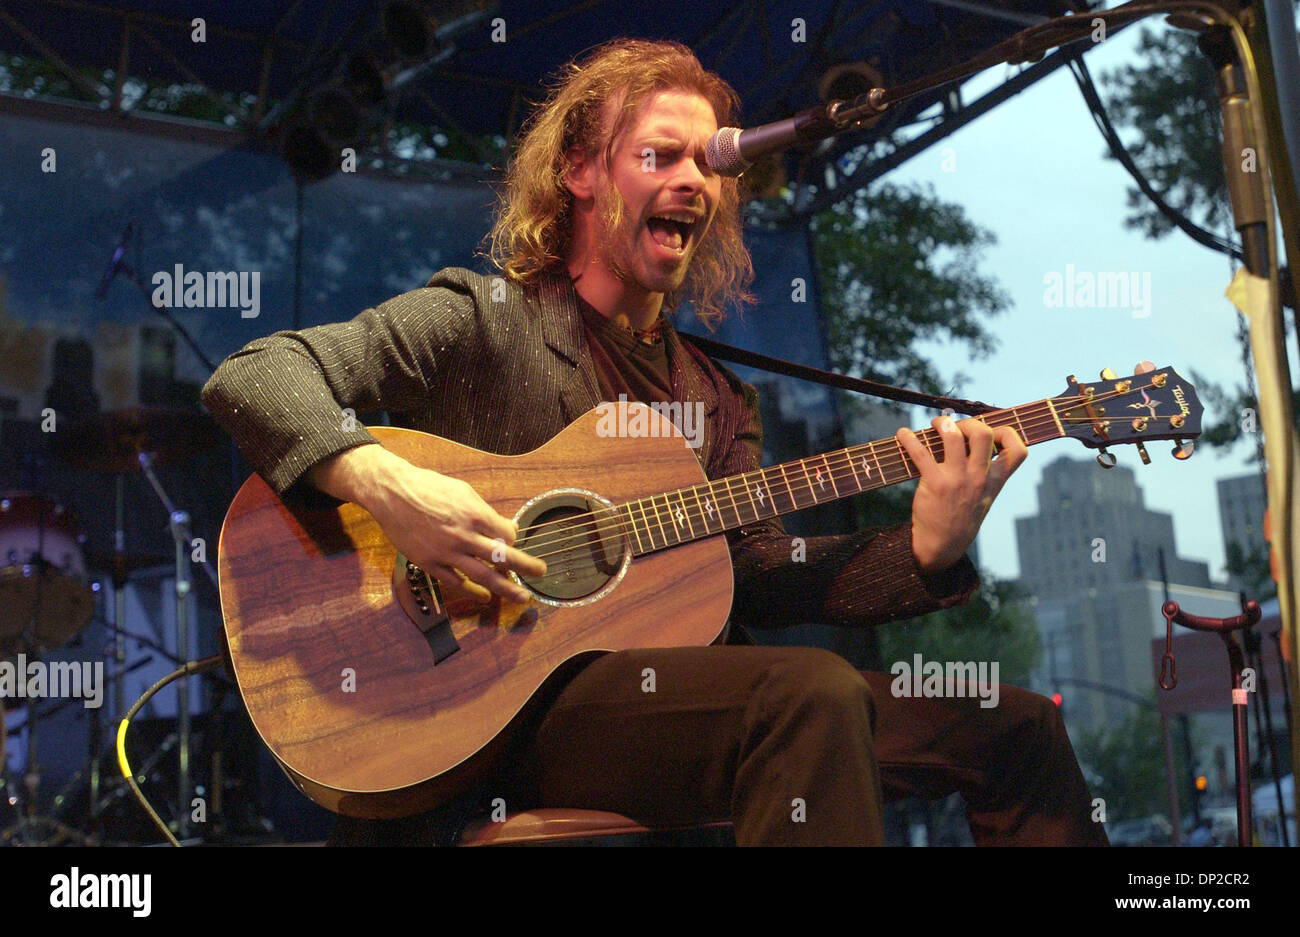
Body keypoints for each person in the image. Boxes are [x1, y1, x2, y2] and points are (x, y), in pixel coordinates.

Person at [202, 38, 1107, 846]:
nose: (695, 179)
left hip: (674, 702)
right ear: (581, 173)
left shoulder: (715, 395)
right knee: (810, 694)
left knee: (1016, 726)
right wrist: (392, 488)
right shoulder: (484, 320)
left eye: (710, 162)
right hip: (497, 708)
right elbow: (254, 373)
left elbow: (752, 568)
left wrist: (923, 548)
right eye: (660, 155)